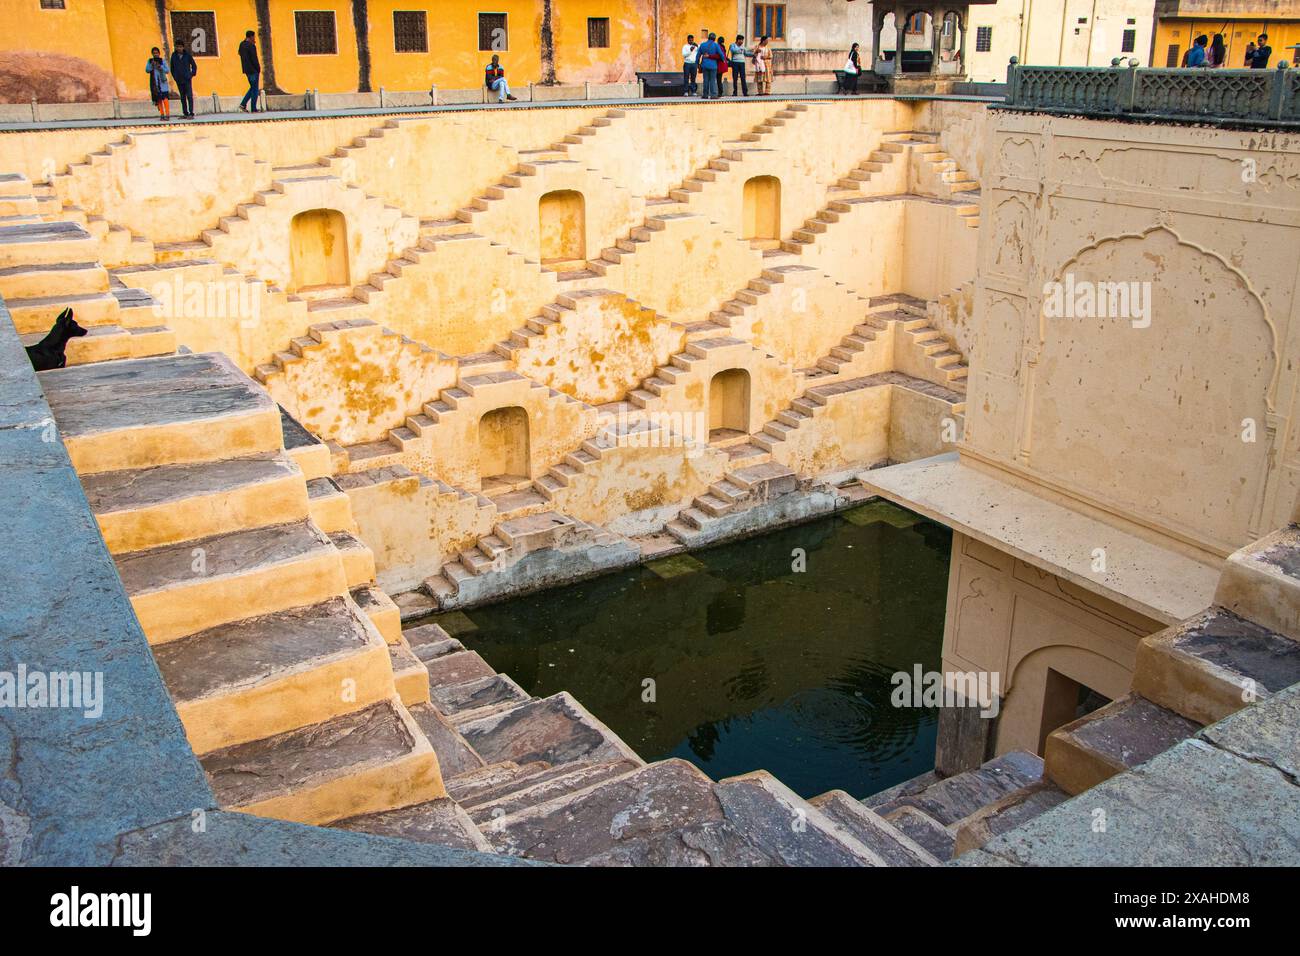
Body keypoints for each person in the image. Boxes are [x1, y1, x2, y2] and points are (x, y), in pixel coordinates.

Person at [169, 40, 198, 118]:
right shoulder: (174, 56)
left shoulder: (187, 55)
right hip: (179, 79)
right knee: (182, 97)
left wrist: (191, 74)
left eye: (180, 47)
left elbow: (194, 66)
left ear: (183, 47)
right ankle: (185, 113)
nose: (179, 48)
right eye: (177, 47)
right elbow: (172, 68)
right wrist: (175, 77)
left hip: (187, 79)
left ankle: (191, 113)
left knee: (189, 96)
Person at [145, 47, 171, 120]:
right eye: (154, 53)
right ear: (152, 54)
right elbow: (147, 70)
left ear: (159, 53)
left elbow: (167, 70)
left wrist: (161, 67)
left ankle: (167, 114)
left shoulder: (162, 61)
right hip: (155, 83)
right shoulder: (150, 61)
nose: (155, 54)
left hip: (163, 82)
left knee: (165, 99)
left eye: (157, 53)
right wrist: (152, 66)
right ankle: (162, 114)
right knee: (159, 99)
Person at [238, 30, 260, 112]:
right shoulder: (251, 46)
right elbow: (254, 59)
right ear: (251, 37)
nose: (254, 38)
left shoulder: (242, 44)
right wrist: (258, 68)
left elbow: (239, 53)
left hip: (246, 70)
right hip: (253, 70)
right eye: (254, 37)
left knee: (252, 87)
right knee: (255, 89)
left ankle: (243, 104)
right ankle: (253, 108)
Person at [697, 32, 723, 99]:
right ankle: (713, 95)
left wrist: (697, 63)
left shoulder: (702, 45)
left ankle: (705, 95)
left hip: (705, 65)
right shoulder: (716, 45)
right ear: (714, 39)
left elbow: (698, 55)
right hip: (713, 65)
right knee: (712, 80)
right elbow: (721, 54)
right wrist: (723, 60)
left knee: (705, 80)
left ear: (708, 37)